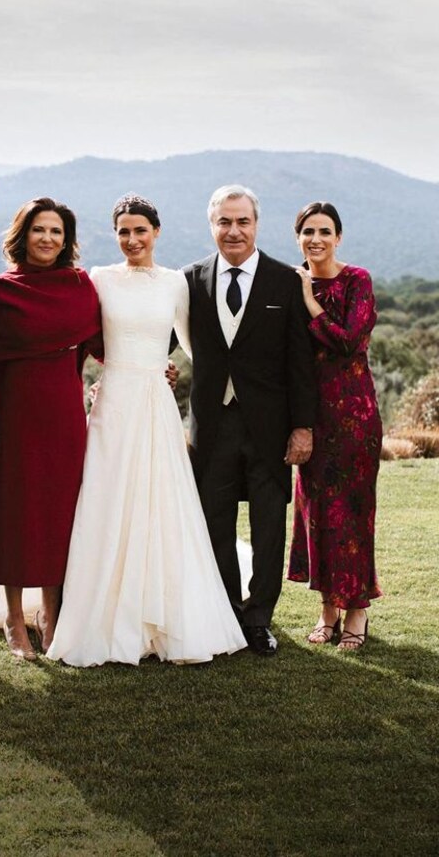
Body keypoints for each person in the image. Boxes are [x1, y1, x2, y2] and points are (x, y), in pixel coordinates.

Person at [47, 194, 248, 667]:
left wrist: (234, 393)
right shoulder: (99, 279)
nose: (132, 239)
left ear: (156, 232)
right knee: (106, 497)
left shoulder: (176, 283)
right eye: (124, 231)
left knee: (161, 501)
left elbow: (197, 348)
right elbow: (81, 337)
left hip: (156, 403)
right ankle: (99, 614)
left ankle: (165, 613)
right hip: (114, 400)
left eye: (140, 230)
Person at [182, 184, 317, 656]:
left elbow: (300, 361)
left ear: (256, 225)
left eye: (242, 221)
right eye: (224, 221)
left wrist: (303, 426)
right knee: (214, 523)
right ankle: (227, 615)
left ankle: (259, 619)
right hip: (212, 425)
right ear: (212, 225)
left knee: (267, 527)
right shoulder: (190, 280)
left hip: (270, 427)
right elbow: (162, 339)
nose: (233, 230)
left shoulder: (285, 281)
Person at [0, 198, 102, 661]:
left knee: (60, 514)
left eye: (56, 232)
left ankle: (51, 612)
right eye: (39, 229)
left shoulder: (81, 287)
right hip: (16, 415)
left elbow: (104, 344)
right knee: (17, 512)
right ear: (23, 235)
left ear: (66, 241)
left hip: (65, 415)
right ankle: (12, 615)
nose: (47, 238)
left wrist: (152, 368)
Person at [288, 201, 383, 651]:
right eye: (308, 231)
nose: (316, 239)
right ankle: (328, 609)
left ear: (338, 237)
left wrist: (310, 301)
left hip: (354, 418)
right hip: (311, 418)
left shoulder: (357, 280)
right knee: (317, 515)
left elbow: (349, 341)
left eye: (325, 231)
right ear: (298, 237)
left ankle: (357, 610)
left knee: (354, 514)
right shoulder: (290, 283)